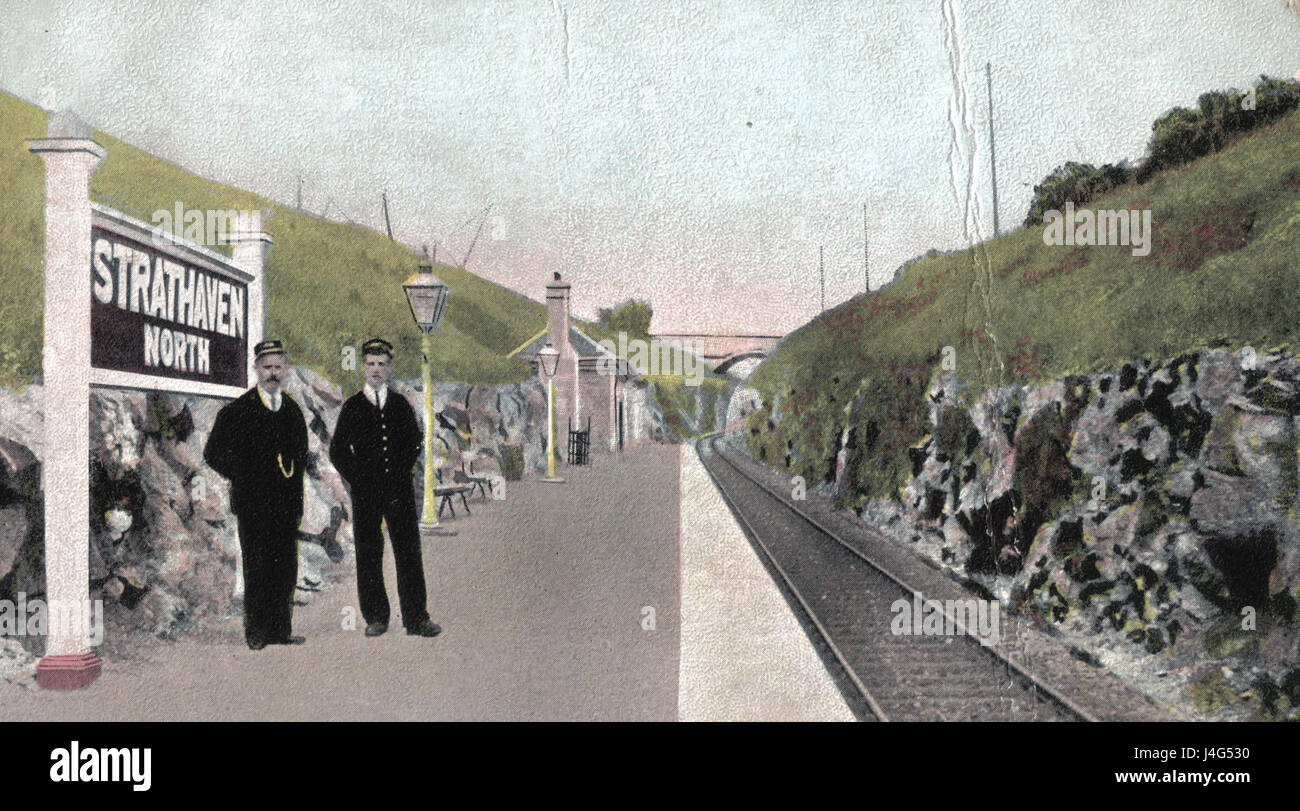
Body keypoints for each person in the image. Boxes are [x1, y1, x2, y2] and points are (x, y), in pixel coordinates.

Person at [329, 338, 442, 638]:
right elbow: (338, 451)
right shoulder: (353, 406)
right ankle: (376, 617)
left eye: (381, 364)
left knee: (408, 553)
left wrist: (401, 470)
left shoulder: (400, 405)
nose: (376, 370)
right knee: (368, 553)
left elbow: (415, 442)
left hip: (399, 491)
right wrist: (359, 477)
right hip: (366, 494)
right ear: (363, 367)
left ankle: (417, 618)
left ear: (390, 368)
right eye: (370, 364)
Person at [203, 340, 310, 650]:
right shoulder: (239, 410)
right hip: (253, 505)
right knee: (258, 567)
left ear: (286, 370)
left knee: (285, 567)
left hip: (286, 506)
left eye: (278, 367)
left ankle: (280, 630)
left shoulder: (292, 410)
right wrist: (244, 474)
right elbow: (213, 453)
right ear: (256, 370)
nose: (272, 373)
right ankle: (257, 632)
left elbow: (301, 456)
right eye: (267, 367)